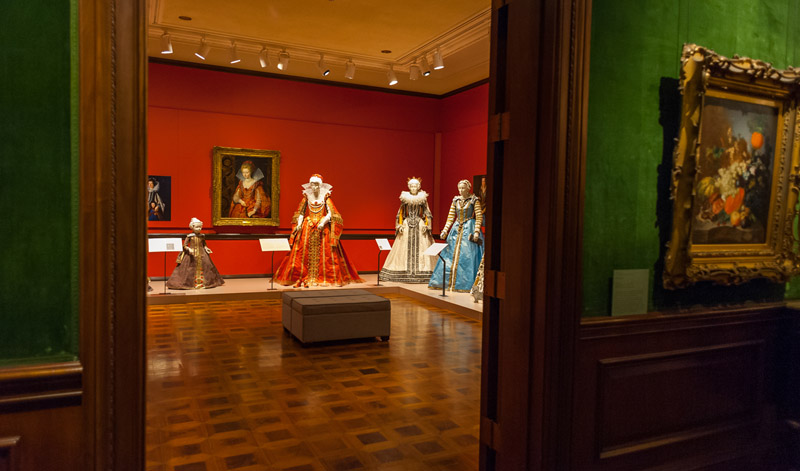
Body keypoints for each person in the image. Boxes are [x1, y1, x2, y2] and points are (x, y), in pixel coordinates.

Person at [273, 174, 363, 287]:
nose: (314, 187)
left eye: (316, 185)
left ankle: (324, 277)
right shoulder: (306, 196)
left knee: (327, 255)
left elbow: (332, 213)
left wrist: (323, 222)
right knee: (301, 254)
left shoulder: (326, 196)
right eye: (312, 185)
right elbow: (300, 212)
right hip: (308, 226)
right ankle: (301, 277)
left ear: (320, 185)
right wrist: (299, 224)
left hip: (322, 227)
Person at [429, 179, 484, 292]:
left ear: (468, 188)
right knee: (449, 256)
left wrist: (477, 231)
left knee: (468, 257)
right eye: (459, 188)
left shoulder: (474, 200)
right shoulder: (456, 200)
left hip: (469, 228)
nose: (461, 190)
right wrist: (444, 230)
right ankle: (446, 283)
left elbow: (479, 217)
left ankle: (465, 284)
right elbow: (450, 217)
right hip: (456, 229)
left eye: (463, 188)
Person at [379, 177, 436, 283]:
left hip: (419, 225)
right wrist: (400, 225)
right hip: (406, 225)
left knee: (422, 248)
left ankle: (421, 273)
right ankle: (404, 272)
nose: (414, 188)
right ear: (409, 187)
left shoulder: (422, 198)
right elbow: (400, 213)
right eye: (412, 186)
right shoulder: (405, 198)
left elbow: (427, 213)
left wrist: (426, 224)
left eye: (415, 186)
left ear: (418, 187)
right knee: (403, 248)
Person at [166, 218, 225, 289]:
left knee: (207, 266)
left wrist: (206, 248)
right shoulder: (189, 236)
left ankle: (205, 283)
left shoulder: (202, 236)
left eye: (200, 227)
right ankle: (189, 284)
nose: (199, 229)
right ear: (192, 227)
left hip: (202, 253)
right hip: (191, 254)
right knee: (189, 269)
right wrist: (189, 249)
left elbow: (204, 244)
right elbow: (185, 245)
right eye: (197, 227)